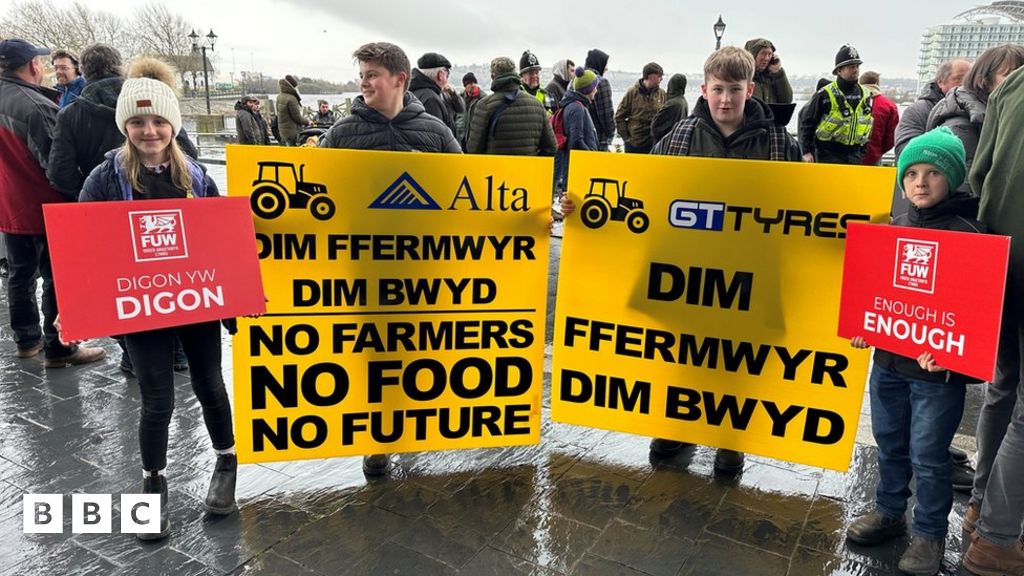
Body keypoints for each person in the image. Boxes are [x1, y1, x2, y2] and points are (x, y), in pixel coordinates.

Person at [564, 46, 799, 474]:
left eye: (734, 89)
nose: (726, 99)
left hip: (750, 273)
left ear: (750, 89)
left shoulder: (780, 141)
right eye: (717, 89)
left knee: (737, 360)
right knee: (683, 356)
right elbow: (644, 198)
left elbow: (806, 208)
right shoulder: (679, 138)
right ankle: (677, 425)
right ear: (704, 89)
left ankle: (730, 439)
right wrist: (582, 206)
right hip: (688, 273)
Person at [77, 56, 237, 540]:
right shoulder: (105, 179)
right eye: (139, 122)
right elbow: (84, 246)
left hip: (195, 302)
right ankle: (152, 482)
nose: (150, 131)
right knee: (156, 399)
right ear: (125, 125)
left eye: (159, 121)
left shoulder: (198, 178)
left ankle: (226, 462)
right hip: (141, 306)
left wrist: (235, 300)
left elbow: (221, 244)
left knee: (210, 383)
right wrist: (78, 305)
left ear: (173, 124)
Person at [843, 127, 983, 576]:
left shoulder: (972, 234)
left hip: (936, 377)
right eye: (911, 174)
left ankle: (929, 533)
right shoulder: (893, 229)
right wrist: (865, 329)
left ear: (954, 177)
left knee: (929, 455)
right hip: (887, 364)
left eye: (933, 173)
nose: (920, 182)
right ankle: (888, 511)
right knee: (889, 444)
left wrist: (953, 355)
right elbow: (876, 296)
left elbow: (975, 316)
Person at [319, 42, 459, 475]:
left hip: (420, 266)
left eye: (373, 74)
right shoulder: (341, 134)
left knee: (415, 350)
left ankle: (408, 425)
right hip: (362, 266)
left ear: (399, 79)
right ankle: (376, 440)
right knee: (371, 354)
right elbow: (309, 192)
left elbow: (470, 195)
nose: (364, 82)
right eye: (361, 74)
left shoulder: (436, 132)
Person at [0, 38, 105, 367]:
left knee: (20, 274)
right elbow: (55, 167)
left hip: (8, 205)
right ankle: (60, 347)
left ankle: (27, 341)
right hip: (43, 207)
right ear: (33, 65)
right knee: (57, 278)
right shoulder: (35, 106)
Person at [961, 63, 1024, 576]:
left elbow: (978, 176)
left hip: (1002, 266)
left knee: (1003, 390)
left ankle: (981, 506)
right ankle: (997, 540)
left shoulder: (1012, 88)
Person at [926, 45, 1024, 195]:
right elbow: (965, 191)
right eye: (1012, 75)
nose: (1020, 83)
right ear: (984, 81)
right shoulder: (961, 127)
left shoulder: (1007, 117)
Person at [798, 45, 874, 165]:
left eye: (857, 66)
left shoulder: (865, 94)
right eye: (851, 67)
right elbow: (807, 123)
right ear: (839, 70)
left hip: (854, 155)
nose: (856, 70)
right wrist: (806, 151)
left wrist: (862, 152)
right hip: (827, 154)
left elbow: (867, 124)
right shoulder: (825, 94)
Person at [465, 56, 556, 156]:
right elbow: (551, 148)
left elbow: (473, 150)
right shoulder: (537, 105)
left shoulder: (484, 105)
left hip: (494, 170)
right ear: (515, 74)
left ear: (492, 77)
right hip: (527, 170)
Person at [894, 59, 971, 159]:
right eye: (958, 79)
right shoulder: (917, 111)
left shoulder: (979, 111)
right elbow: (906, 151)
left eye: (969, 79)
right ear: (940, 82)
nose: (965, 84)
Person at [553, 67, 600, 193]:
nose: (596, 90)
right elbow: (576, 140)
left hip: (576, 164)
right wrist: (590, 155)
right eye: (595, 87)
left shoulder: (576, 105)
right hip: (578, 166)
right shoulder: (577, 108)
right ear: (589, 89)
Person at [614, 62, 666, 153]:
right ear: (650, 77)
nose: (661, 79)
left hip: (654, 143)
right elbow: (619, 116)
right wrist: (626, 139)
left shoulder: (662, 94)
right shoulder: (632, 93)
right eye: (659, 76)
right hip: (635, 143)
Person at [410, 52, 458, 136]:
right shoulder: (431, 100)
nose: (447, 80)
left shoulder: (413, 92)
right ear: (440, 75)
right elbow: (435, 136)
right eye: (447, 75)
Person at [859, 71, 899, 166]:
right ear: (877, 84)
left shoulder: (851, 100)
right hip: (874, 156)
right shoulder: (889, 106)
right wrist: (879, 150)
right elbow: (892, 136)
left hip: (849, 157)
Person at [744, 38, 793, 104]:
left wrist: (778, 73)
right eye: (763, 53)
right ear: (752, 56)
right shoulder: (743, 77)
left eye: (769, 54)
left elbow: (787, 100)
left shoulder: (772, 78)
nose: (766, 58)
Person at [584, 49, 615, 150]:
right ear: (599, 63)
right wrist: (610, 134)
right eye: (605, 64)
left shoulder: (574, 81)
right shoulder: (600, 82)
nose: (606, 69)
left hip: (580, 138)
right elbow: (606, 113)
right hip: (598, 139)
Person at [650, 73, 689, 145]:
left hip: (663, 143)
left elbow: (655, 125)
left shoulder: (672, 103)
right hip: (675, 141)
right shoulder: (683, 102)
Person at [519, 50, 554, 114]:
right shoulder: (517, 95)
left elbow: (550, 116)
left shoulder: (545, 94)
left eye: (537, 73)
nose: (535, 76)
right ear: (521, 76)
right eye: (531, 73)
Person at [275, 74, 304, 146]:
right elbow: (297, 117)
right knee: (294, 153)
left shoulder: (279, 96)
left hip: (283, 131)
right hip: (292, 132)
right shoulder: (292, 99)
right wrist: (308, 122)